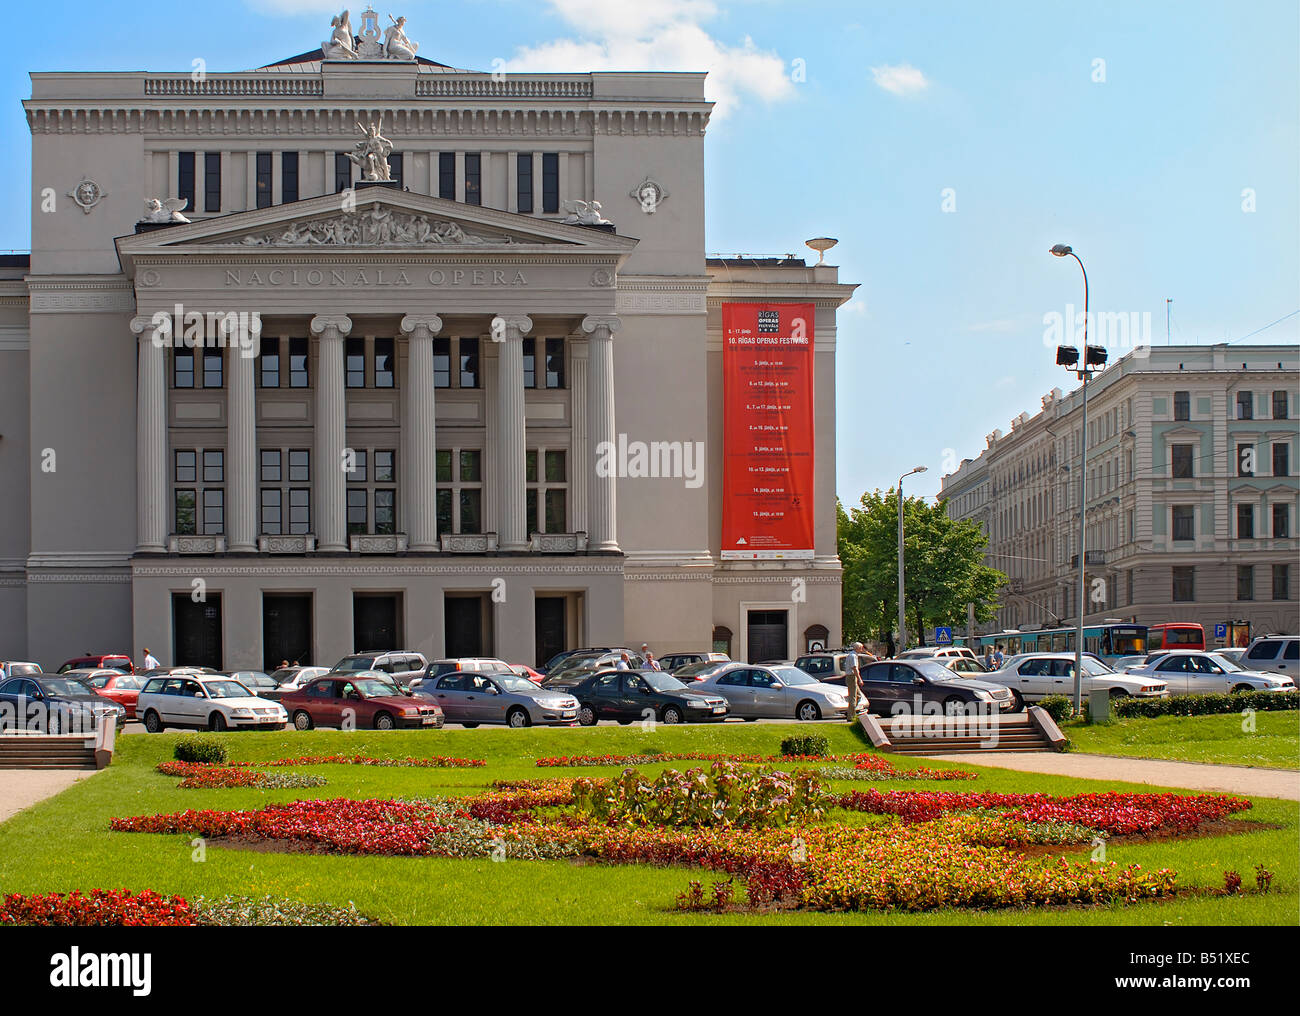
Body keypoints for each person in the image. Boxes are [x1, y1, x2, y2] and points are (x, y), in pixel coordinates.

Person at [844, 642, 866, 721]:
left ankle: (850, 712)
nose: (861, 649)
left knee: (858, 696)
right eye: (861, 648)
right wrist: (859, 679)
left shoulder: (852, 655)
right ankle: (851, 716)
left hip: (852, 677)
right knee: (853, 697)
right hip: (851, 677)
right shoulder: (853, 656)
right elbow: (854, 668)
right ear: (857, 648)